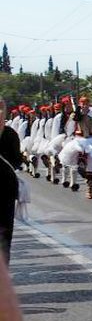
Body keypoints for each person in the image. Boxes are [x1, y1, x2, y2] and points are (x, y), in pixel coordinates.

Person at [56, 97, 92, 199]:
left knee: (91, 167)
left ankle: (89, 189)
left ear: (89, 104)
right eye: (82, 104)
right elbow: (69, 130)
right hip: (79, 140)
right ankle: (81, 168)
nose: (84, 105)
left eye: (86, 103)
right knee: (80, 155)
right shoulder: (75, 115)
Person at [0, 98, 23, 264]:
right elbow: (17, 160)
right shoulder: (10, 133)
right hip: (6, 187)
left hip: (6, 189)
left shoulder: (10, 133)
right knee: (4, 232)